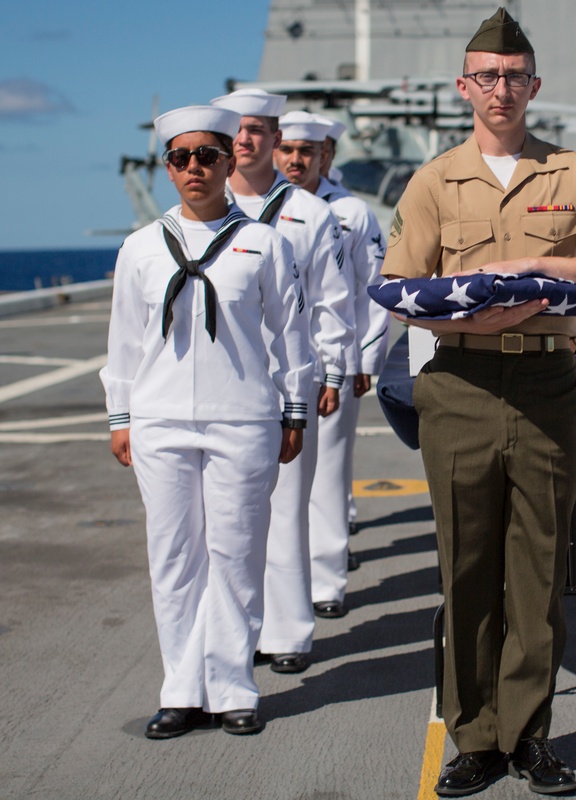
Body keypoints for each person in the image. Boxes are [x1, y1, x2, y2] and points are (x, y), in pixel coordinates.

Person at [380, 8, 576, 796]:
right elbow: (399, 291)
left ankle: (528, 735)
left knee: (538, 563)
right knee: (465, 562)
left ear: (534, 86)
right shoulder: (434, 180)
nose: (501, 90)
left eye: (514, 77)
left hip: (546, 384)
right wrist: (469, 313)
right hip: (458, 384)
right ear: (465, 87)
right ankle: (474, 736)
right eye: (487, 77)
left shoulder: (572, 172)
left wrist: (535, 263)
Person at [100, 105, 314, 738]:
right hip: (161, 421)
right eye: (179, 158)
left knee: (235, 553)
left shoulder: (265, 243)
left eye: (206, 156)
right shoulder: (140, 248)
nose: (194, 167)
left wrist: (293, 408)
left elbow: (293, 334)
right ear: (167, 168)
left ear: (230, 161)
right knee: (172, 557)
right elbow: (124, 342)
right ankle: (181, 689)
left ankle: (231, 687)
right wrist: (121, 416)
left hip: (244, 419)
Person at [211, 88, 354, 673]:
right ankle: (232, 631)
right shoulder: (207, 211)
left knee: (290, 505)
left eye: (258, 130)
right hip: (224, 381)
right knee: (227, 518)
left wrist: (333, 370)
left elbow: (333, 301)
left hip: (291, 378)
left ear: (275, 138)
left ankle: (290, 632)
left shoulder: (310, 212)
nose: (247, 141)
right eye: (238, 132)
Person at [273, 110, 390, 619]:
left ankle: (326, 581)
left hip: (329, 361)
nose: (296, 160)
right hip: (272, 367)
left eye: (308, 151)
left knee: (327, 475)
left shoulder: (352, 213)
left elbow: (372, 291)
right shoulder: (262, 208)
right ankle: (278, 588)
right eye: (288, 150)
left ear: (327, 155)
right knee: (270, 483)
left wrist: (365, 356)